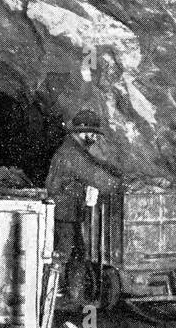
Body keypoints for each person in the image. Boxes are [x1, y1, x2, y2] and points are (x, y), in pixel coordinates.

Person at [45, 108, 121, 260]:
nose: (95, 138)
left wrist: (114, 170)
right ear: (82, 132)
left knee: (75, 258)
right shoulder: (72, 153)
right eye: (93, 134)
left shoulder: (72, 148)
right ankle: (62, 284)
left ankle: (64, 283)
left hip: (66, 215)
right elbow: (96, 176)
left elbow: (94, 164)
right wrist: (122, 184)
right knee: (68, 260)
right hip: (64, 217)